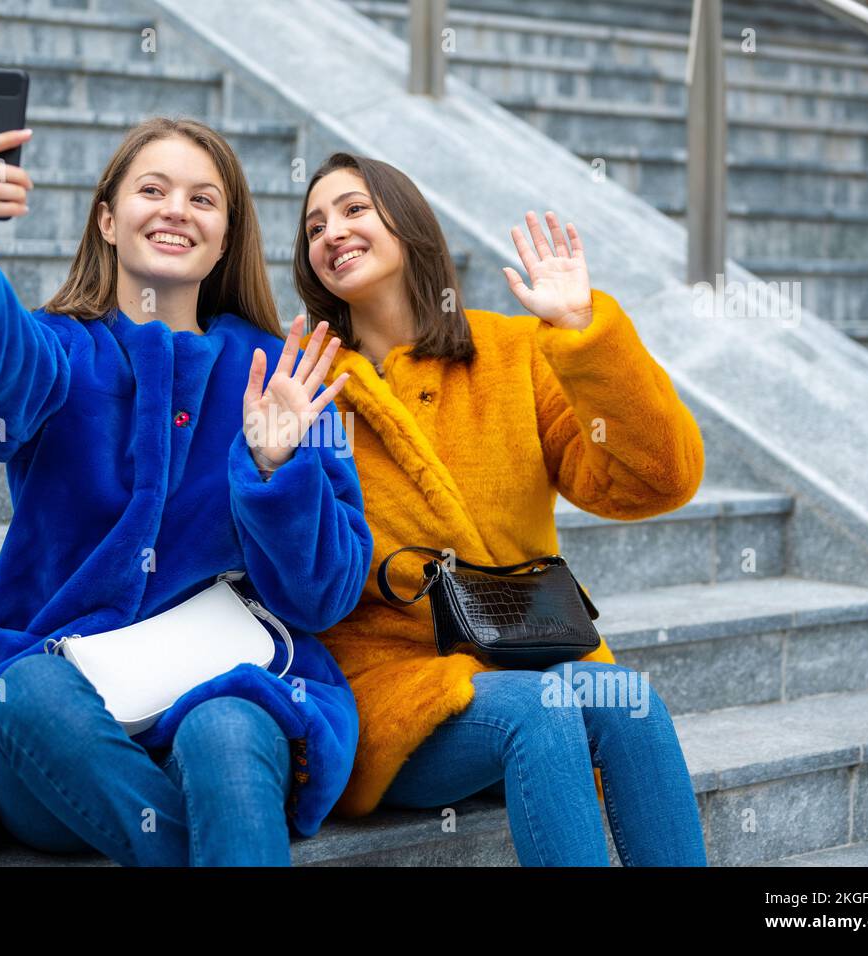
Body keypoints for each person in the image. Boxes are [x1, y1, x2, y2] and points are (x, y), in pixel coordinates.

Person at [0, 118, 373, 866]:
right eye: (153, 190)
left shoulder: (282, 374)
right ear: (109, 220)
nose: (177, 209)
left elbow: (325, 595)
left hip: (221, 693)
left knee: (229, 729)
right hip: (70, 733)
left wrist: (276, 470)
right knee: (26, 692)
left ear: (223, 238)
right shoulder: (58, 350)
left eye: (203, 199)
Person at [289, 152, 708, 866]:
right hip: (394, 692)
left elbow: (656, 481)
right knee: (538, 711)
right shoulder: (309, 386)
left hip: (528, 653)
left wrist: (584, 337)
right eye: (314, 224)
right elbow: (296, 568)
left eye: (355, 209)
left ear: (407, 223)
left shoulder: (511, 353)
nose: (332, 231)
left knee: (627, 701)